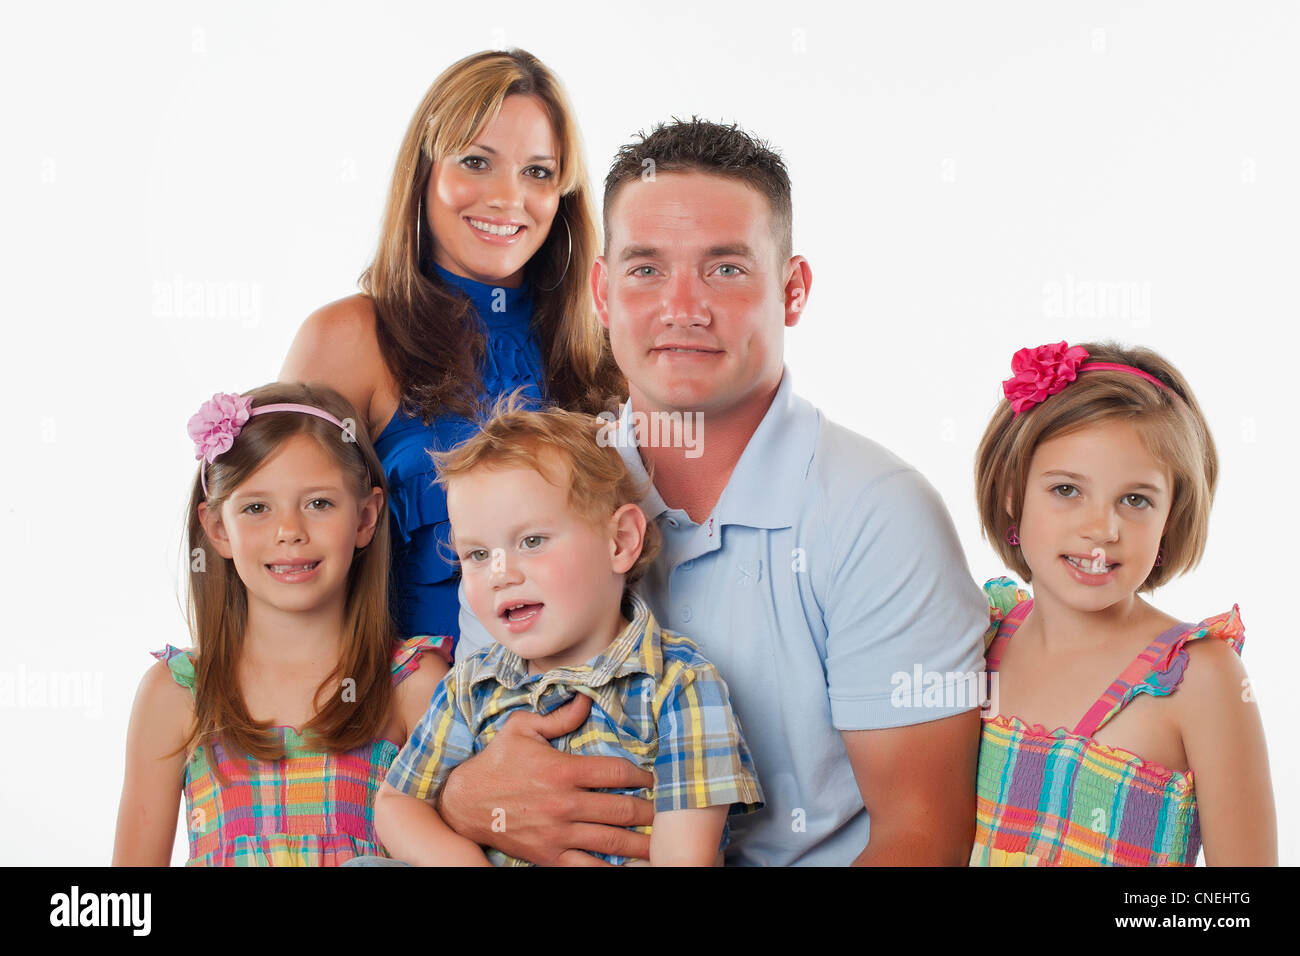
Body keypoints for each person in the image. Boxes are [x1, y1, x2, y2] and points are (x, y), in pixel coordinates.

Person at [439, 119, 990, 866]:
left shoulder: (878, 514)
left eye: (725, 269)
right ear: (602, 292)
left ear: (792, 290)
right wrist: (460, 797)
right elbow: (462, 737)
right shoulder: (532, 490)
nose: (683, 307)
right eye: (646, 270)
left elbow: (922, 837)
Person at [280, 49, 622, 649]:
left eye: (538, 172)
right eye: (476, 161)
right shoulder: (349, 337)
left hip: (589, 720)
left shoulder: (609, 347)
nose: (507, 197)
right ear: (424, 175)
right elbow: (283, 564)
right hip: (403, 728)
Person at [370, 395, 763, 865]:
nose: (499, 573)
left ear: (620, 542)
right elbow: (397, 804)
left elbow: (685, 859)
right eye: (477, 554)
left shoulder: (678, 685)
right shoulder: (469, 686)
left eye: (531, 541)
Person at [111, 383, 448, 866]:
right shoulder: (177, 694)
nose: (289, 530)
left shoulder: (411, 686)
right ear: (219, 529)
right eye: (256, 508)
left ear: (365, 518)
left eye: (319, 503)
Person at [970, 341, 1276, 865]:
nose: (1101, 529)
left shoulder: (1197, 678)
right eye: (1067, 489)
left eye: (1135, 500)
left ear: (1171, 515)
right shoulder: (979, 635)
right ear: (1010, 494)